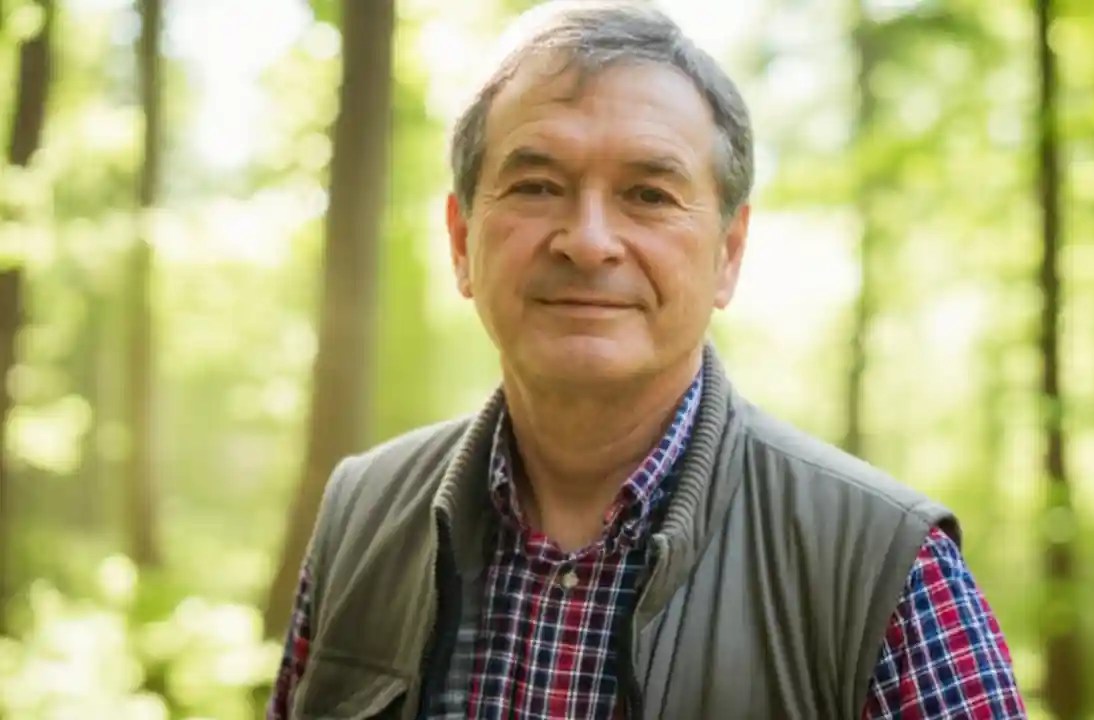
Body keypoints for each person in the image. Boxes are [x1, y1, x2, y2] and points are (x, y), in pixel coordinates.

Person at [267, 2, 1026, 718]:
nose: (589, 240)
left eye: (648, 195)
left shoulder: (885, 569)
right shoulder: (360, 518)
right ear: (463, 241)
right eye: (537, 186)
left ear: (728, 253)